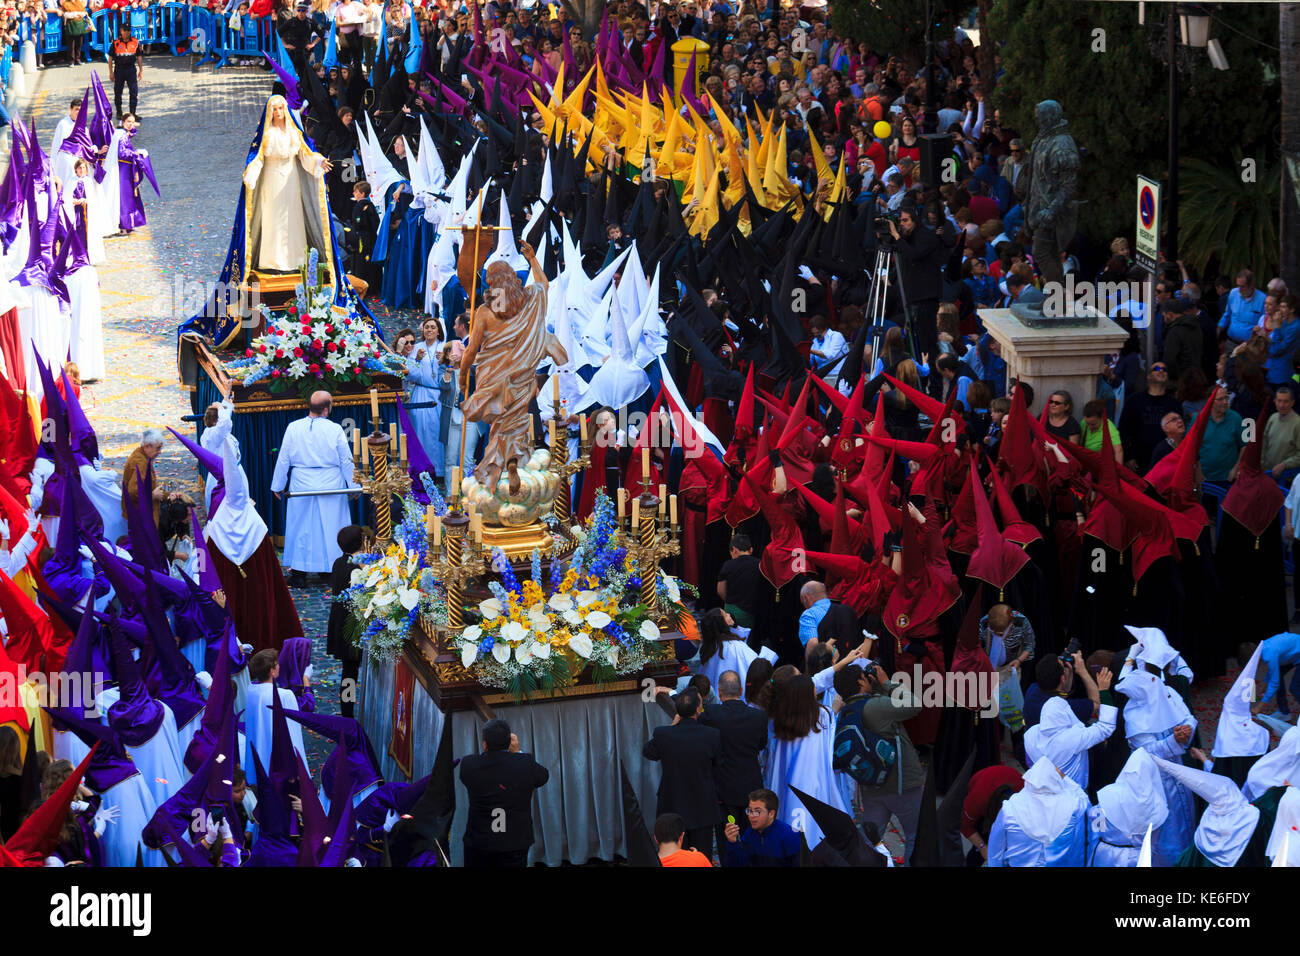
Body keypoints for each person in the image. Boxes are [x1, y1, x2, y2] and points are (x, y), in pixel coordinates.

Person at [834, 660, 925, 864]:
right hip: (903, 786)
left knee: (868, 840)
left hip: (871, 787)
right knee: (915, 837)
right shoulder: (875, 706)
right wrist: (887, 683)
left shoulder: (846, 711)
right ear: (861, 681)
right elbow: (914, 703)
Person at [270, 391, 358, 585]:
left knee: (302, 526)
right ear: (326, 408)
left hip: (302, 481)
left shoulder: (293, 427)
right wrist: (354, 486)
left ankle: (300, 573)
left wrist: (277, 485)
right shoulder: (334, 429)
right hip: (330, 481)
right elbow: (346, 459)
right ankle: (329, 570)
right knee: (331, 525)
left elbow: (283, 458)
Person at [243, 96, 332, 274]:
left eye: (281, 108)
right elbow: (258, 158)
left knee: (292, 218)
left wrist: (319, 162)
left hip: (291, 181)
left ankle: (296, 260)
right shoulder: (266, 134)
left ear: (286, 110)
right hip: (271, 180)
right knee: (273, 219)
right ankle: (272, 262)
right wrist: (251, 174)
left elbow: (306, 154)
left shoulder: (293, 132)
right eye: (274, 109)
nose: (278, 112)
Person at [642, 686, 722, 860]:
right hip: (702, 805)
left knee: (675, 857)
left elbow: (648, 752)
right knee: (702, 855)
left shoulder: (664, 734)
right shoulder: (712, 735)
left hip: (672, 803)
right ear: (698, 709)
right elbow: (718, 765)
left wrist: (672, 724)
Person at [458, 718, 550, 867]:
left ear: (484, 744)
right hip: (514, 843)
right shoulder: (525, 763)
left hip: (480, 842)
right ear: (510, 743)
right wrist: (518, 752)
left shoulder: (469, 765)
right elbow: (543, 776)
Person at [701, 670, 769, 858]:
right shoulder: (759, 717)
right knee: (754, 832)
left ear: (719, 691)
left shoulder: (711, 715)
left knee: (727, 835)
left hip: (724, 789)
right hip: (751, 786)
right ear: (740, 690)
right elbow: (761, 744)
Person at [987, 758, 1091, 866]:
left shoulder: (1009, 810)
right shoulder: (1074, 805)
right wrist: (1064, 778)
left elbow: (995, 851)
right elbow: (1082, 840)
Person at [240, 649, 308, 786]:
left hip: (260, 748)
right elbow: (302, 712)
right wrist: (306, 683)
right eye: (277, 664)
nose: (279, 666)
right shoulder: (284, 695)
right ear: (272, 671)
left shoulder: (251, 691)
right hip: (281, 754)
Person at [326, 525, 365, 718]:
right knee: (349, 673)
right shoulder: (357, 569)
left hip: (339, 622)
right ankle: (347, 712)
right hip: (351, 628)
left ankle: (347, 709)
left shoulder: (338, 562)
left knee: (348, 670)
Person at [1118, 362, 1182, 473]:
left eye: (1164, 369)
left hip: (1167, 461)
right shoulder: (1134, 401)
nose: (1161, 370)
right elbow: (1124, 430)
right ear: (1148, 376)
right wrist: (1128, 457)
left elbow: (1180, 432)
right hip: (1140, 462)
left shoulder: (1174, 403)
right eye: (1156, 368)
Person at [722, 788, 800, 867]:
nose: (751, 815)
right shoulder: (749, 834)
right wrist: (733, 843)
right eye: (749, 810)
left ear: (771, 814)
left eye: (757, 811)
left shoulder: (791, 836)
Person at [716, 533, 765, 627]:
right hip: (751, 610)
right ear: (751, 550)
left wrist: (730, 600)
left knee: (730, 636)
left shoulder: (727, 565)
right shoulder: (759, 565)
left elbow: (720, 590)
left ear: (734, 550)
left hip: (730, 610)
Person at [1218, 269, 1267, 347]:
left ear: (1251, 285)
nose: (1239, 290)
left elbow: (1265, 322)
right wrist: (1219, 328)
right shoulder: (1233, 293)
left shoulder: (1263, 299)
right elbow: (1227, 314)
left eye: (1243, 286)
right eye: (1238, 285)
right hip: (1231, 343)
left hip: (1250, 346)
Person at [1262, 385, 1300, 483]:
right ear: (1274, 401)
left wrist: (1285, 464)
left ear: (1292, 403)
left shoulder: (1297, 424)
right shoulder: (1272, 418)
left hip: (1285, 478)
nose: (1282, 405)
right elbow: (1264, 444)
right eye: (1279, 400)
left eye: (1285, 401)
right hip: (1267, 474)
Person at [107, 23, 143, 120]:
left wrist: (141, 70)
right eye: (124, 30)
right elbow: (110, 58)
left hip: (131, 70)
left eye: (128, 30)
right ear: (121, 31)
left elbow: (139, 56)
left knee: (134, 92)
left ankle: (133, 113)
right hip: (119, 70)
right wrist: (110, 72)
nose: (126, 32)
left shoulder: (135, 42)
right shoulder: (116, 43)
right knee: (118, 92)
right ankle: (119, 112)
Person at [797, 579, 832, 649]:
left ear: (806, 598)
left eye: (802, 602)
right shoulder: (845, 610)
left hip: (824, 658)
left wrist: (812, 659)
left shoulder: (809, 614)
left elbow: (812, 643)